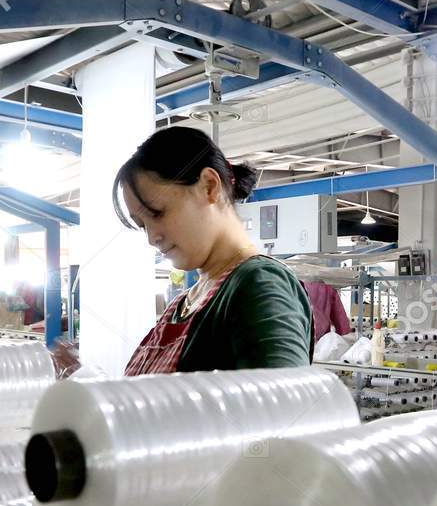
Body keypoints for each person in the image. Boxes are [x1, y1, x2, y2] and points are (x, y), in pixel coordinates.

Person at [113, 127, 312, 374]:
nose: (152, 238)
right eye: (142, 225)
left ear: (209, 186)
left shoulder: (259, 284)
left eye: (157, 213)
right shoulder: (181, 305)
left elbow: (283, 405)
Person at [303, 278, 351, 347]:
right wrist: (343, 330)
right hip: (322, 335)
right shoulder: (329, 289)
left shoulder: (297, 286)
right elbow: (339, 315)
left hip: (301, 331)